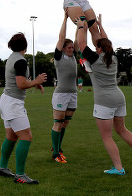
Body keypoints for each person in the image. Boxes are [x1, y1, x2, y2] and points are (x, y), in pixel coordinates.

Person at [76, 15, 132, 175]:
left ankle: (118, 168)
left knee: (107, 137)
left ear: (100, 49)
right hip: (118, 97)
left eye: (97, 47)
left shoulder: (96, 58)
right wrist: (100, 27)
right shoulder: (113, 57)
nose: (95, 49)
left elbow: (81, 44)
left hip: (104, 101)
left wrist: (81, 27)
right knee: (122, 130)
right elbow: (106, 41)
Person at [0, 32, 47, 185]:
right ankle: (20, 175)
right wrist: (37, 80)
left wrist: (34, 82)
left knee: (12, 137)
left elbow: (19, 79)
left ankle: (2, 168)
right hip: (13, 103)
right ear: (25, 46)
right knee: (26, 137)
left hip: (6, 100)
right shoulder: (21, 61)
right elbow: (20, 84)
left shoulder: (12, 58)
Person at [50, 10, 79, 163]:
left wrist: (80, 26)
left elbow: (77, 40)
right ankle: (55, 154)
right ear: (62, 49)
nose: (71, 49)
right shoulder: (59, 57)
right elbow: (62, 37)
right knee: (58, 123)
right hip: (61, 94)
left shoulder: (73, 56)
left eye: (72, 48)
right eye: (68, 48)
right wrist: (65, 18)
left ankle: (58, 148)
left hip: (73, 94)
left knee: (65, 123)